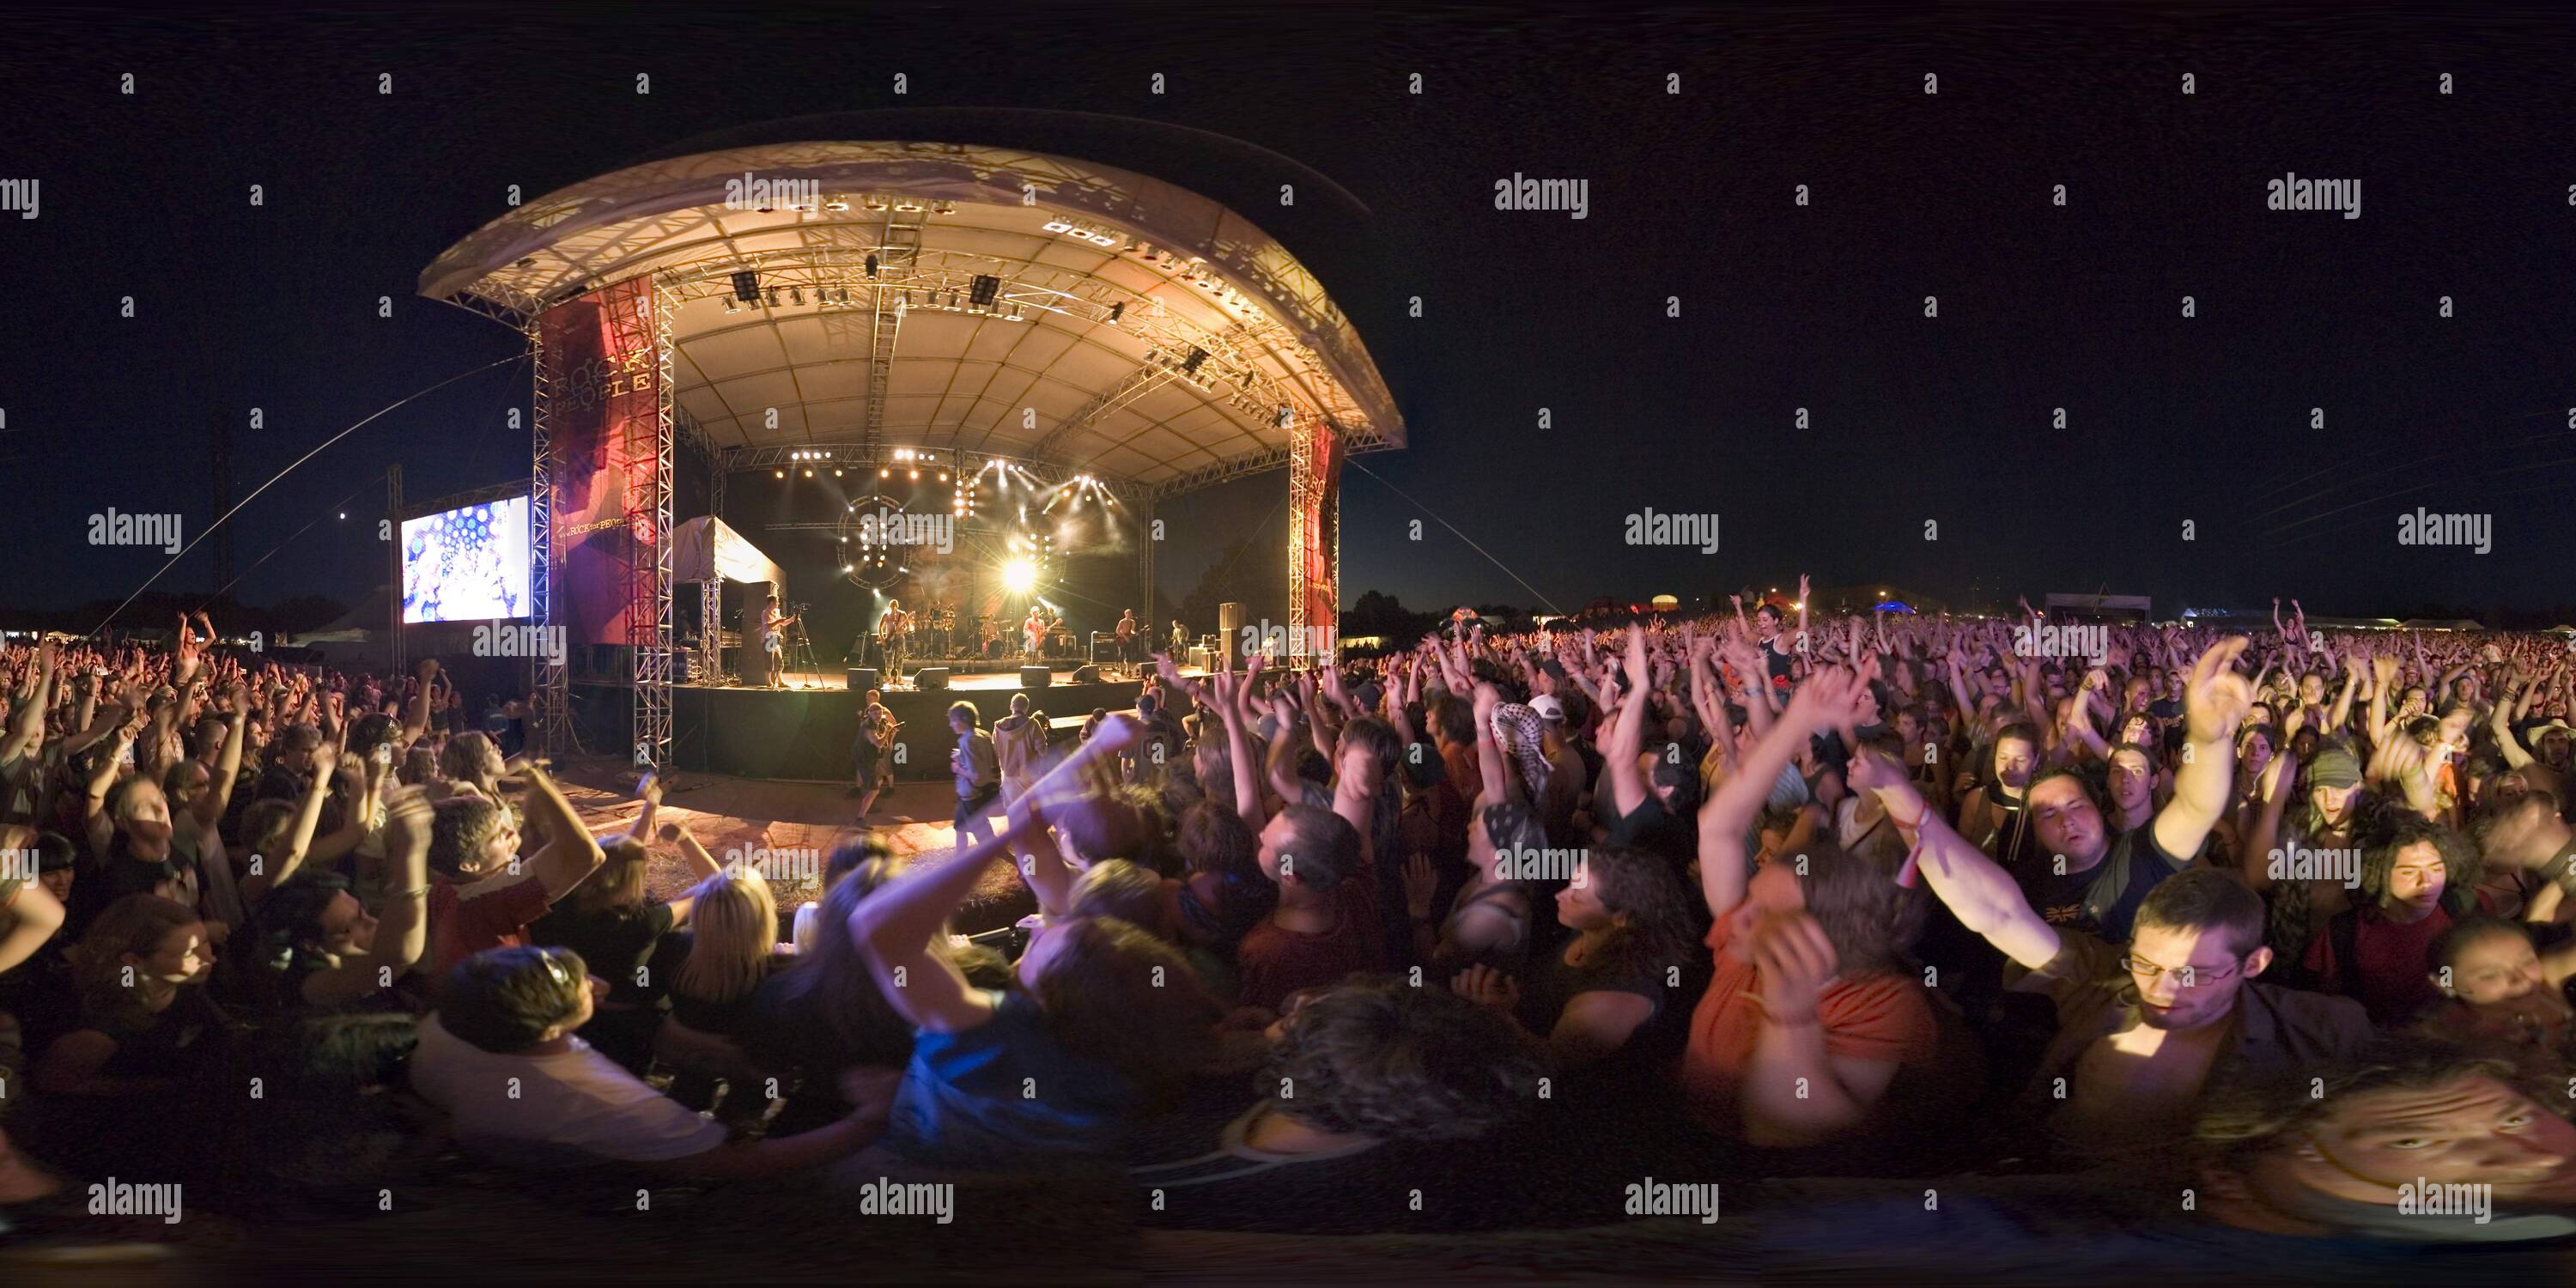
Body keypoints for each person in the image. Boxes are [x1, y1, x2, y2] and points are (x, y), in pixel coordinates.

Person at [846, 717, 1218, 1175]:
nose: (1042, 928)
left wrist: (1001, 836)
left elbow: (877, 927)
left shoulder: (1003, 1043)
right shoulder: (1120, 1054)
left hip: (910, 1177)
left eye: (1046, 939)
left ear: (1044, 1001)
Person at [409, 945, 888, 1176]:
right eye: (581, 986)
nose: (597, 982)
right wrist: (868, 1120)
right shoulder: (607, 1099)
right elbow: (736, 1165)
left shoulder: (445, 1026)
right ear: (546, 1025)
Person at [948, 701, 1001, 846]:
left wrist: (957, 768)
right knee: (960, 830)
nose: (951, 724)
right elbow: (984, 762)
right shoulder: (983, 734)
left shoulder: (966, 741)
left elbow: (976, 775)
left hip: (971, 797)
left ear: (963, 720)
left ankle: (1018, 864)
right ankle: (958, 866)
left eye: (953, 720)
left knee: (988, 843)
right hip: (970, 796)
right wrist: (961, 756)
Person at [850, 689, 901, 816]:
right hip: (867, 752)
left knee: (883, 770)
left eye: (869, 699)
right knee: (873, 780)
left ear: (876, 700)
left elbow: (894, 727)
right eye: (866, 699)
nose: (867, 701)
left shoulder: (882, 712)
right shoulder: (869, 715)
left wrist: (890, 741)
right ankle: (866, 802)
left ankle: (889, 788)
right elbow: (873, 735)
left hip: (874, 750)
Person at [992, 692, 1048, 807]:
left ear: (1011, 706)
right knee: (1030, 811)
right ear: (1026, 708)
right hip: (1029, 775)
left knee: (1013, 811)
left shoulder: (998, 727)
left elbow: (996, 750)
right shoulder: (1033, 724)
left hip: (1008, 774)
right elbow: (1042, 750)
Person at [759, 593, 797, 689]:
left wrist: (792, 619)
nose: (778, 603)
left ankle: (780, 681)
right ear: (771, 602)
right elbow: (768, 625)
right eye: (777, 601)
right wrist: (779, 621)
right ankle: (768, 682)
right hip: (768, 638)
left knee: (779, 661)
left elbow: (783, 623)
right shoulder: (765, 613)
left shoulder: (776, 611)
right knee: (769, 661)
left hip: (776, 638)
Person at [878, 598, 912, 685]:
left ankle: (899, 677)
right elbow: (880, 627)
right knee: (888, 656)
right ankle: (888, 676)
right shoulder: (886, 615)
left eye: (895, 606)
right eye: (892, 606)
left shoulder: (902, 614)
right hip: (889, 638)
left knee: (900, 656)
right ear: (890, 606)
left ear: (897, 606)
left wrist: (903, 631)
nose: (893, 608)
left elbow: (908, 627)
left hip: (899, 638)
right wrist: (882, 638)